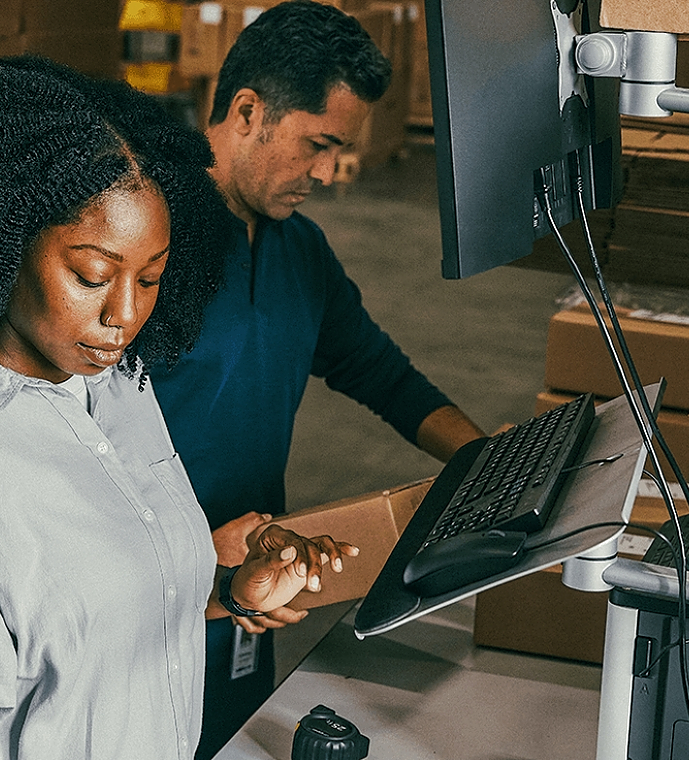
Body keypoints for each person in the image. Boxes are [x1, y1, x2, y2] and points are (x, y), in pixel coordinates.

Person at [0, 56, 357, 760]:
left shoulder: (114, 387)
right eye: (91, 276)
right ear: (2, 243)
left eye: (152, 278)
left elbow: (78, 618)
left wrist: (230, 589)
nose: (124, 316)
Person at [144, 2, 489, 756]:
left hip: (254, 581)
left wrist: (485, 461)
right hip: (143, 593)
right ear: (246, 112)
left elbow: (379, 372)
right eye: (319, 144)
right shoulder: (141, 245)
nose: (331, 174)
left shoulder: (300, 252)